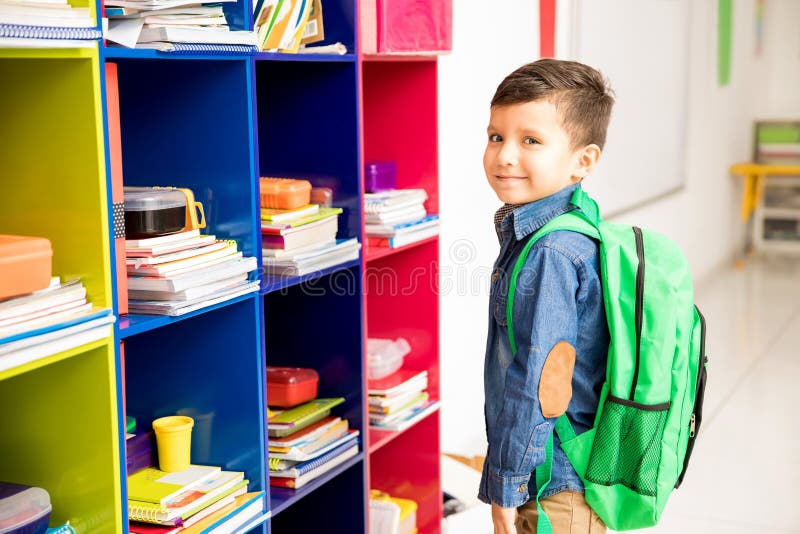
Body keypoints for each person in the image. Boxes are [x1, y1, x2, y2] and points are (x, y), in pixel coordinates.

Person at [477, 58, 614, 534]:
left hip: (554, 485)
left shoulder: (551, 251)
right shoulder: (576, 222)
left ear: (584, 160)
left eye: (530, 140)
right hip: (573, 470)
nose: (504, 155)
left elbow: (539, 382)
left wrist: (506, 487)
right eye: (496, 136)